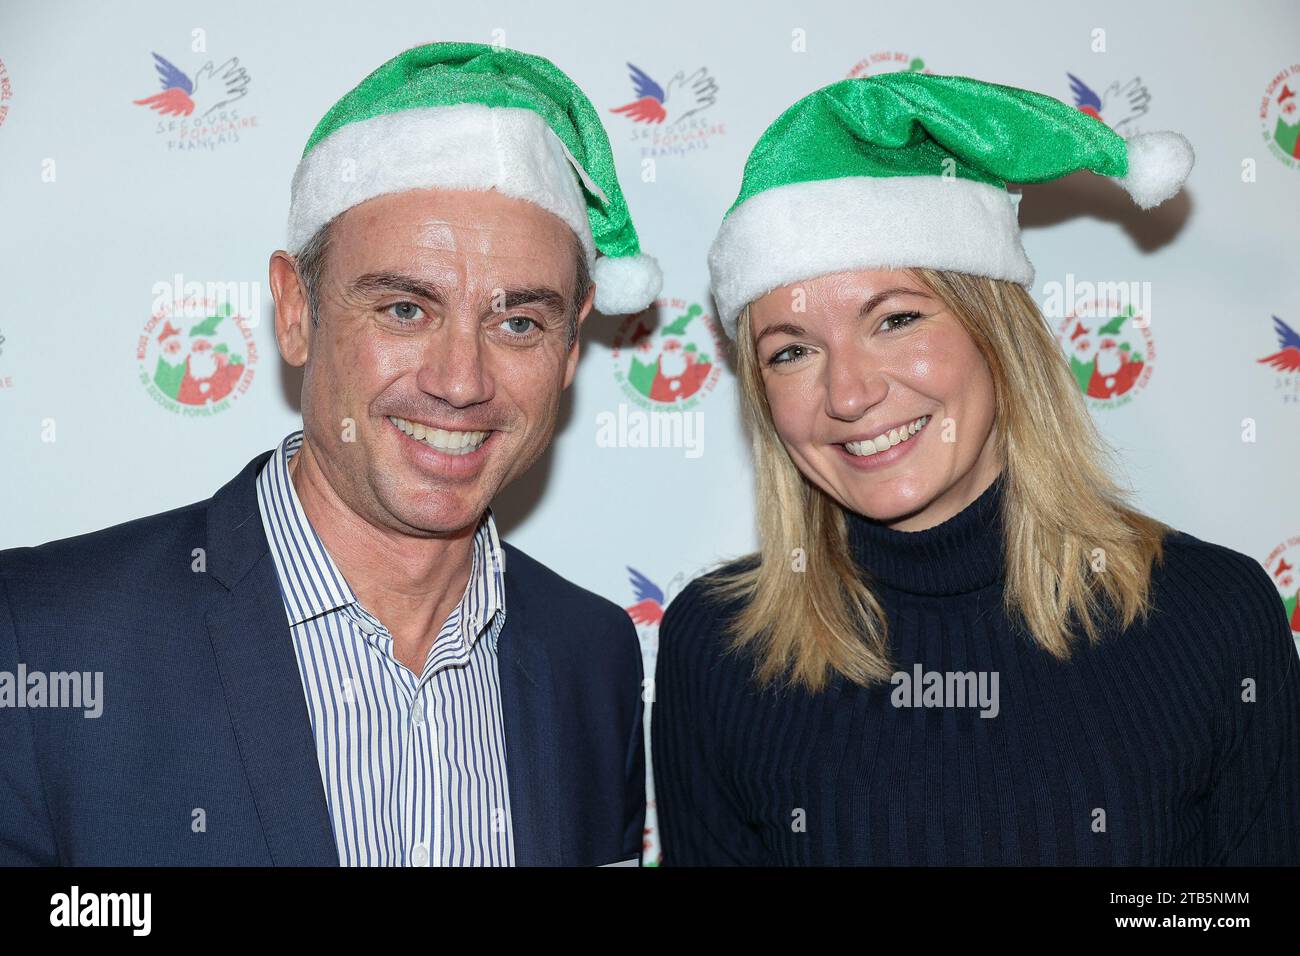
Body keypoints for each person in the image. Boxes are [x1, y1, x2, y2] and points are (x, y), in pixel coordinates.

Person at [0, 42, 661, 866]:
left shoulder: (592, 658)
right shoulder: (40, 638)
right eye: (405, 309)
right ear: (295, 312)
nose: (461, 381)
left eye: (519, 322)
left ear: (569, 348)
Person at [652, 72, 1300, 865]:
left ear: (998, 333)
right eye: (791, 352)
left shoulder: (1214, 616)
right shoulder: (717, 646)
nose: (848, 394)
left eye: (896, 319)